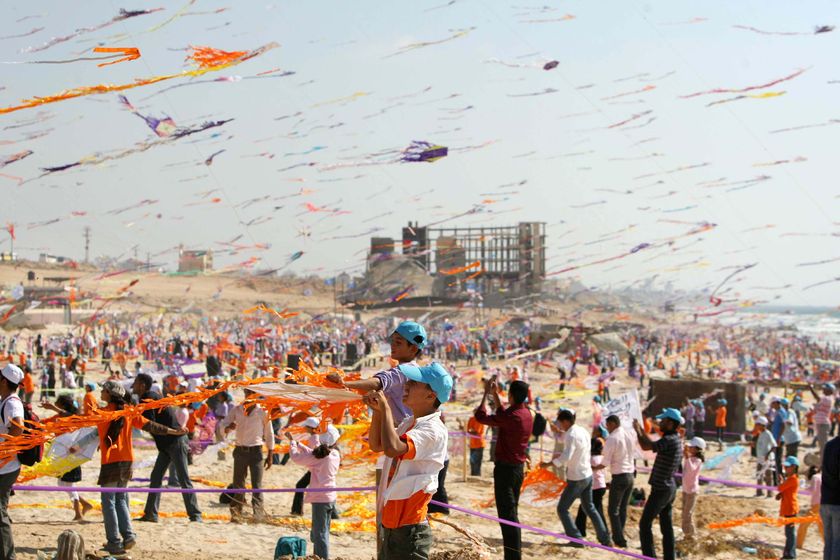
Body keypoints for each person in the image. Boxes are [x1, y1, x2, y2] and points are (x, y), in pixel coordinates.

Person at [365, 362, 451, 560]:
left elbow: (393, 448)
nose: (407, 385)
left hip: (410, 529)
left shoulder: (433, 430)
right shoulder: (409, 423)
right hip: (394, 523)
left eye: (414, 383)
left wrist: (385, 409)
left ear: (431, 395)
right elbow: (377, 444)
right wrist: (378, 412)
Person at [95, 380, 186, 556]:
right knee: (120, 499)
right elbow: (151, 426)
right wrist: (173, 431)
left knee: (109, 502)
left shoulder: (103, 413)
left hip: (111, 461)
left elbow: (77, 420)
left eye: (103, 390)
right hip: (127, 461)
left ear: (109, 394)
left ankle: (114, 542)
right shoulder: (128, 413)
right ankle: (128, 536)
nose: (101, 393)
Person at [474, 378, 533, 560]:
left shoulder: (512, 417)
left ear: (512, 395)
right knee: (512, 513)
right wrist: (495, 396)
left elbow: (480, 417)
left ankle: (513, 557)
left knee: (508, 518)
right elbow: (503, 414)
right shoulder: (526, 413)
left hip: (506, 471)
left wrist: (485, 394)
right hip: (517, 469)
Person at [131, 374, 202, 524]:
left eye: (136, 383)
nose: (134, 386)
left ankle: (195, 515)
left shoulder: (149, 397)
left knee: (183, 479)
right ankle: (150, 513)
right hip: (166, 444)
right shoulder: (149, 397)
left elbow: (149, 424)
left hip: (175, 441)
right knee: (156, 477)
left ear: (143, 385)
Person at [554, 408, 611, 547]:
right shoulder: (582, 430)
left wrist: (550, 463)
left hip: (577, 477)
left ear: (566, 421)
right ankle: (605, 538)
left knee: (562, 508)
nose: (560, 425)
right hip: (587, 475)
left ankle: (576, 539)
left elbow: (566, 456)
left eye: (560, 422)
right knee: (590, 508)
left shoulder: (571, 434)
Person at [633, 408, 684, 560]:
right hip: (669, 487)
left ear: (670, 423)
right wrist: (641, 430)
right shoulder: (674, 438)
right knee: (666, 527)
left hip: (662, 489)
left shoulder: (669, 440)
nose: (660, 423)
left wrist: (638, 431)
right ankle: (670, 557)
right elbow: (650, 443)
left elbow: (646, 446)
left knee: (644, 524)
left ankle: (649, 557)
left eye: (663, 420)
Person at [221, 388, 275, 522]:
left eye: (251, 393)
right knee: (238, 484)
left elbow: (269, 433)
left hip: (256, 451)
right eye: (247, 393)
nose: (248, 396)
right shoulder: (237, 409)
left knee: (257, 485)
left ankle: (258, 515)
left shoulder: (262, 411)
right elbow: (223, 425)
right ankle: (236, 514)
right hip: (240, 450)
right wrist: (228, 428)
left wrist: (270, 453)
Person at [287, 428, 340, 559]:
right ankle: (319, 556)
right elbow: (313, 453)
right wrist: (298, 443)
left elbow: (296, 457)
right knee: (321, 532)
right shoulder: (335, 454)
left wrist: (293, 445)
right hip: (330, 498)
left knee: (319, 534)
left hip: (320, 499)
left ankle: (322, 558)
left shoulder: (320, 457)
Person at [42, 394, 94, 521]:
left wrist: (53, 408)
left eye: (57, 403)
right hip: (65, 456)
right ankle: (85, 504)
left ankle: (78, 513)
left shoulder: (73, 418)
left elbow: (68, 416)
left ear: (62, 405)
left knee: (68, 485)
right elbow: (44, 422)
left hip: (70, 456)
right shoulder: (58, 417)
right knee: (63, 483)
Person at [0, 364, 24, 560]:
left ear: (4, 381)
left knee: (0, 514)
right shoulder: (6, 401)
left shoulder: (12, 404)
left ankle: (9, 556)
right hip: (5, 465)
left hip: (5, 467)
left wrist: (4, 450)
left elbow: (18, 428)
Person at [601, 415, 635, 548]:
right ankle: (620, 535)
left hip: (620, 476)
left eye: (608, 425)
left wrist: (592, 467)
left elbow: (604, 462)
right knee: (622, 509)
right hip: (630, 475)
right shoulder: (628, 434)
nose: (607, 428)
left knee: (613, 510)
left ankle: (619, 539)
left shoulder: (613, 438)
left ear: (613, 423)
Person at [574, 437, 608, 542]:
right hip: (601, 486)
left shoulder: (591, 459)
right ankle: (581, 530)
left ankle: (603, 533)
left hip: (594, 487)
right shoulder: (602, 458)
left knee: (590, 510)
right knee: (592, 509)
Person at [681, 437, 705, 539]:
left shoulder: (697, 460)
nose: (689, 448)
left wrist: (686, 456)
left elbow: (691, 470)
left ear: (697, 449)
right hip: (686, 490)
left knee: (688, 514)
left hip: (692, 491)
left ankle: (691, 536)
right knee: (685, 514)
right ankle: (688, 534)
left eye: (691, 447)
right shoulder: (690, 459)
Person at [776, 456, 800, 559]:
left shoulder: (793, 479)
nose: (785, 469)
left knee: (790, 533)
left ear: (794, 467)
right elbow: (784, 490)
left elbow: (780, 487)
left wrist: (781, 482)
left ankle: (791, 555)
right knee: (788, 533)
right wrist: (781, 494)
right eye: (785, 467)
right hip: (787, 507)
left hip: (791, 508)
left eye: (787, 467)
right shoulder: (790, 479)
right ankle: (788, 554)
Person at [821, 434, 840, 560]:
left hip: (825, 501)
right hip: (838, 502)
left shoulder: (829, 445)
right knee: (837, 543)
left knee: (829, 542)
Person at [796, 465, 822, 550]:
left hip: (815, 505)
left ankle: (798, 545)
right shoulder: (822, 476)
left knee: (803, 525)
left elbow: (812, 490)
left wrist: (803, 486)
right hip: (823, 504)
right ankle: (828, 544)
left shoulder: (814, 477)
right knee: (822, 527)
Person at [809, 383, 834, 455]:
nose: (823, 389)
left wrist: (811, 388)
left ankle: (823, 464)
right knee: (822, 445)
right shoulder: (824, 399)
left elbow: (817, 398)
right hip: (820, 424)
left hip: (823, 424)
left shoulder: (828, 399)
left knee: (823, 446)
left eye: (825, 389)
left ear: (830, 391)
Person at [755, 416, 777, 497]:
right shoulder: (761, 434)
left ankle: (769, 493)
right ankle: (759, 491)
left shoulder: (768, 434)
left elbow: (774, 445)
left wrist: (767, 455)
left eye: (758, 425)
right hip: (760, 458)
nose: (756, 426)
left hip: (767, 459)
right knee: (759, 475)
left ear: (762, 425)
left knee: (768, 476)